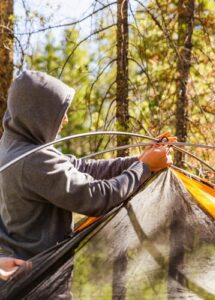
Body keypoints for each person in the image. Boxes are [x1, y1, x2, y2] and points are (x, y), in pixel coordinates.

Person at [0, 71, 174, 282]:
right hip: (38, 281)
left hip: (18, 275)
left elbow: (81, 167)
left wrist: (140, 160)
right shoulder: (32, 160)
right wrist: (144, 168)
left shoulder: (14, 147)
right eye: (59, 112)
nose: (65, 119)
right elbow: (96, 197)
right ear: (38, 113)